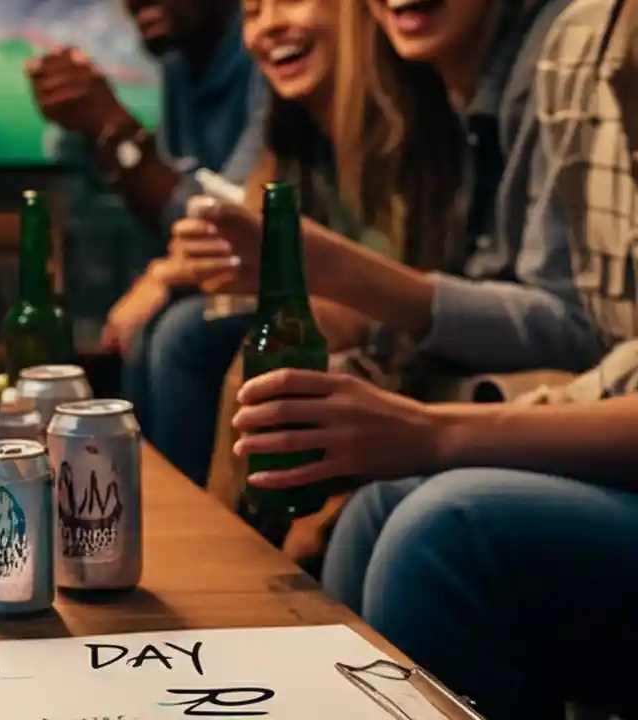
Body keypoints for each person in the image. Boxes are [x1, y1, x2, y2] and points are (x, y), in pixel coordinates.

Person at [231, 0, 638, 716]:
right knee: (376, 509)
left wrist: (432, 428)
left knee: (442, 529)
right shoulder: (578, 40)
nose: (267, 27)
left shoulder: (552, 50)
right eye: (249, 9)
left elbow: (567, 331)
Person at [100, 0, 463, 486]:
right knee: (163, 328)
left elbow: (425, 298)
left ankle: (211, 523)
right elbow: (238, 231)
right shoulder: (287, 126)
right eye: (252, 12)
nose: (269, 27)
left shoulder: (418, 119)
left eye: (290, 0)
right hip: (348, 339)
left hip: (412, 362)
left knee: (189, 335)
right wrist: (166, 274)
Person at [182, 0, 600, 379]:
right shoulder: (444, 75)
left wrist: (344, 279)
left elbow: (576, 331)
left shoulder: (548, 58)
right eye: (251, 12)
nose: (269, 26)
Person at [27, 0, 263, 436]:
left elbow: (241, 222)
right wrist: (98, 130)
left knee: (179, 331)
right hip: (229, 271)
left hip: (277, 276)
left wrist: (112, 125)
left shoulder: (262, 50)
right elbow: (180, 204)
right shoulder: (180, 61)